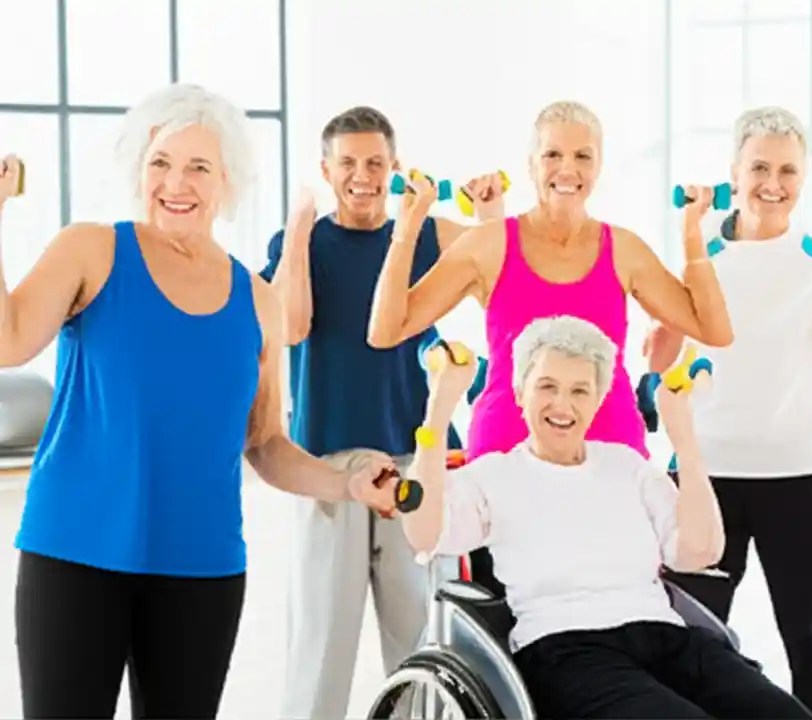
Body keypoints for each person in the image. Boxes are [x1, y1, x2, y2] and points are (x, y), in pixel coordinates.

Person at [4, 83, 394, 720]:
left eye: (198, 168)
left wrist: (348, 483)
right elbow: (9, 338)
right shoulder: (93, 250)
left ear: (227, 183)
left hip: (201, 567)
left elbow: (265, 442)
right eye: (160, 163)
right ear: (140, 168)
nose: (175, 183)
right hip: (74, 550)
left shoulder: (258, 301)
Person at [366, 99, 734, 593]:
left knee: (616, 597)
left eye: (583, 157)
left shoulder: (621, 248)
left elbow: (712, 329)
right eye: (552, 155)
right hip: (508, 451)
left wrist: (692, 237)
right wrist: (406, 228)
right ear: (531, 163)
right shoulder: (490, 244)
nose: (567, 169)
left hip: (610, 452)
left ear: (599, 166)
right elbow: (386, 330)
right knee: (519, 607)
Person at [385, 314, 812, 719]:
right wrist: (439, 409)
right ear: (520, 392)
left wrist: (683, 435)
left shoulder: (626, 466)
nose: (562, 405)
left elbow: (699, 552)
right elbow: (424, 533)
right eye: (546, 386)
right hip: (565, 647)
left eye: (579, 390)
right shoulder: (494, 475)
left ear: (598, 399)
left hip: (665, 634)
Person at [260, 105, 505, 719]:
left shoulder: (423, 235)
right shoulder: (302, 242)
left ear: (395, 168)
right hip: (328, 462)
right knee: (322, 642)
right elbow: (291, 326)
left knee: (421, 636)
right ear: (326, 169)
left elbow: (496, 268)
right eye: (348, 163)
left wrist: (487, 210)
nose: (362, 176)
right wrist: (296, 225)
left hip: (414, 455)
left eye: (375, 162)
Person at [646, 106, 812, 719]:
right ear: (733, 172)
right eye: (759, 166)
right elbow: (662, 355)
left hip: (798, 474)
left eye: (788, 169)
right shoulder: (699, 250)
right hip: (705, 473)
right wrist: (664, 327)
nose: (773, 182)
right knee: (690, 636)